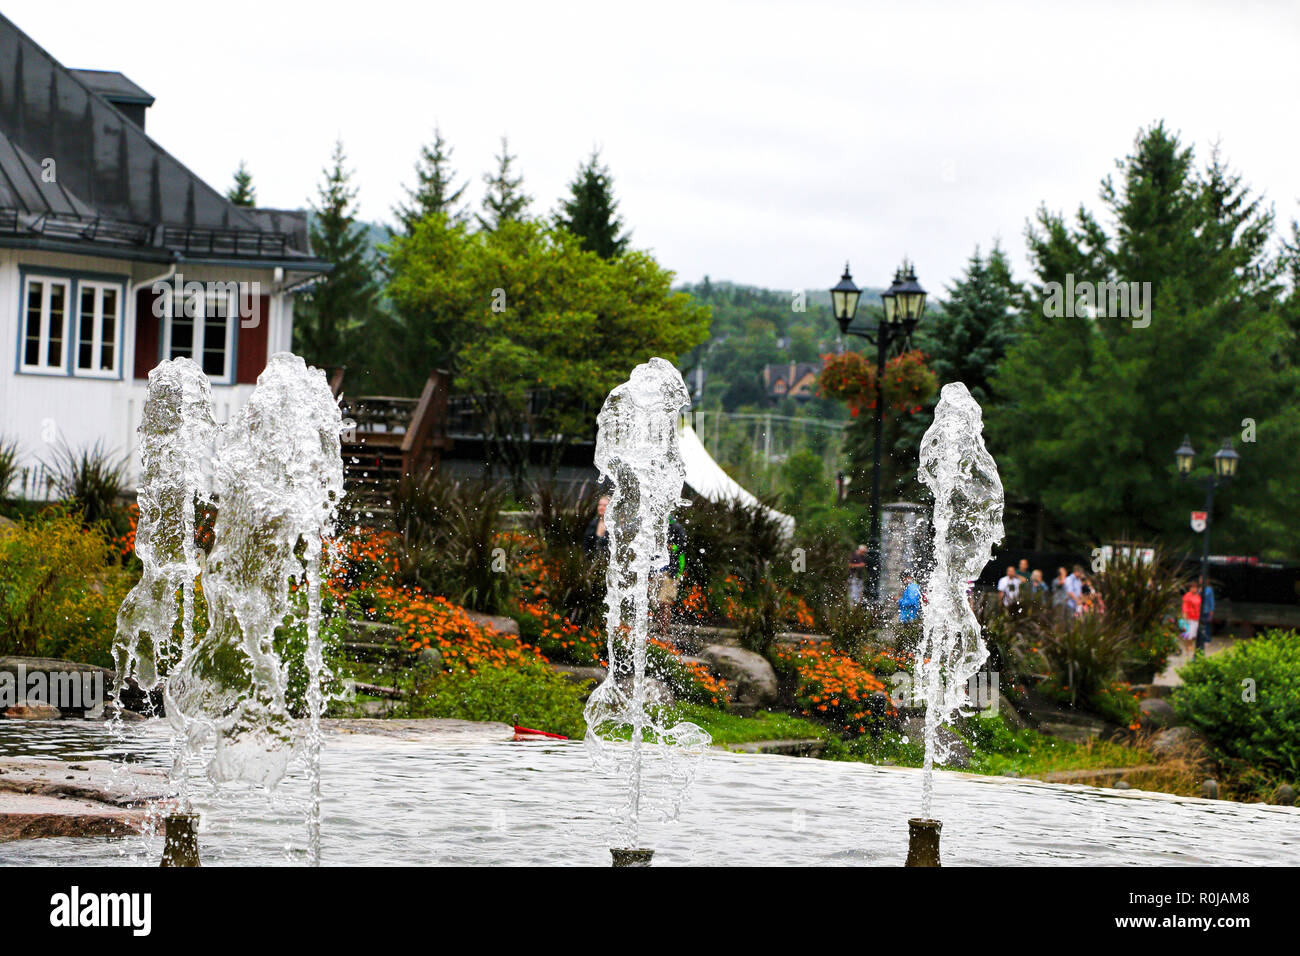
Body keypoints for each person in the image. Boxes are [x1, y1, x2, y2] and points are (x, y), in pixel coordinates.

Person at [1180, 583, 1202, 657]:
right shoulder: (1187, 596)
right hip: (1189, 617)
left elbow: (1199, 606)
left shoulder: (1198, 596)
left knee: (1193, 633)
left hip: (1196, 617)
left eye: (1195, 587)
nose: (1194, 589)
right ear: (1190, 588)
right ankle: (1188, 646)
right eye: (1192, 587)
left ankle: (1190, 646)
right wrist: (1185, 616)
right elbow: (1185, 606)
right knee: (1189, 632)